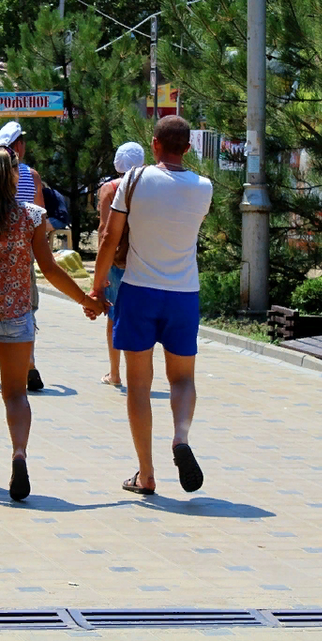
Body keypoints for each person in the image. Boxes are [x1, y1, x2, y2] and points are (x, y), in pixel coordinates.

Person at [0, 147, 104, 502]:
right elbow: (51, 268)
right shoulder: (31, 216)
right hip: (16, 316)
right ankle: (19, 454)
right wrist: (85, 302)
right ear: (12, 176)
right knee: (15, 393)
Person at [90, 116, 213, 496]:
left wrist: (97, 288)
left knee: (139, 387)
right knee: (183, 378)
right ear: (188, 148)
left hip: (139, 290)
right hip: (184, 294)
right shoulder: (203, 187)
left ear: (155, 144)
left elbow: (111, 237)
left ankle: (146, 475)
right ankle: (180, 438)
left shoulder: (135, 180)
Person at [0, 121, 48, 392]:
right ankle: (30, 362)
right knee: (26, 306)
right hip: (23, 254)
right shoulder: (32, 176)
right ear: (18, 147)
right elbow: (40, 216)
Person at [97, 142, 146, 386]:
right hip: (144, 260)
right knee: (139, 317)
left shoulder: (110, 188)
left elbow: (105, 232)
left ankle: (115, 373)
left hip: (118, 261)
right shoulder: (150, 187)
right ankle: (139, 373)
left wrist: (100, 271)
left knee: (114, 317)